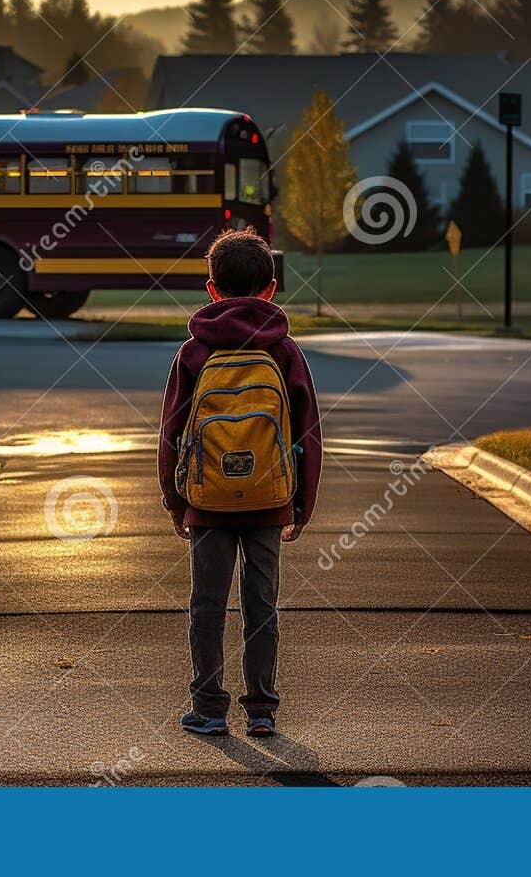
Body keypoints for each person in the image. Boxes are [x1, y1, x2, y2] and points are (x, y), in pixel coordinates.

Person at [157, 229, 322, 738]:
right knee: (261, 607)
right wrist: (302, 505)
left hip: (207, 502)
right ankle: (261, 711)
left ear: (212, 289)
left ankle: (209, 708)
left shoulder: (194, 352)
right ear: (271, 289)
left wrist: (175, 500)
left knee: (207, 605)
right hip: (270, 499)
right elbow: (308, 432)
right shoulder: (285, 351)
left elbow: (171, 431)